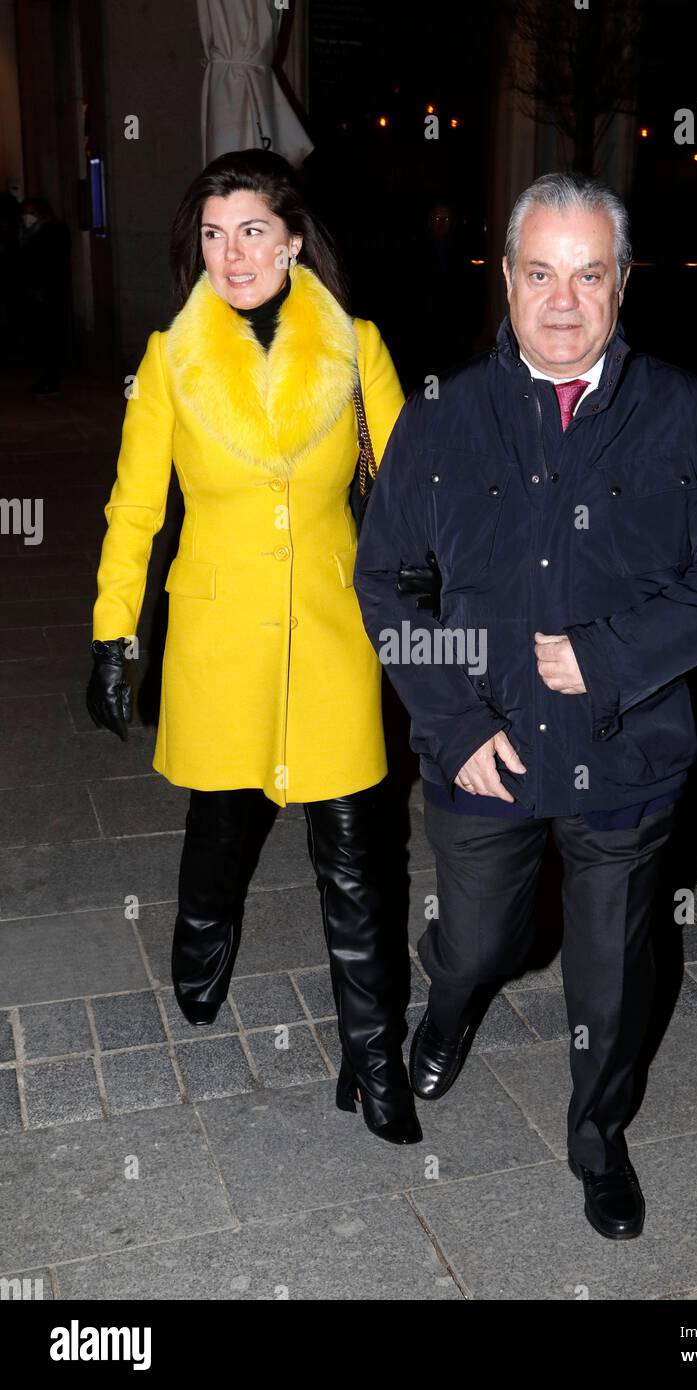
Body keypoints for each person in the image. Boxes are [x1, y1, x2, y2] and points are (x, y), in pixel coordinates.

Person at [354, 173, 697, 1226]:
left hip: (626, 752)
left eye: (587, 274)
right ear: (504, 278)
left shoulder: (685, 416)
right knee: (480, 942)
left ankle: (597, 1137)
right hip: (483, 753)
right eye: (538, 272)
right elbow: (385, 580)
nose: (561, 300)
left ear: (621, 281)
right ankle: (449, 1003)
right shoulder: (440, 416)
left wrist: (610, 654)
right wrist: (449, 725)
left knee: (608, 975)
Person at [87, 149, 420, 1145]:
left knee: (360, 857)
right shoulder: (168, 362)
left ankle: (372, 1064)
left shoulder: (356, 347)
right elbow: (134, 508)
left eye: (250, 230)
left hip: (330, 634)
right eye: (211, 232)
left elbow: (408, 491)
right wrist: (114, 633)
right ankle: (199, 947)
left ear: (290, 239)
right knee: (221, 828)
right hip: (220, 638)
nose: (229, 253)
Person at [18, 196, 71, 394]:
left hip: (51, 295)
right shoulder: (31, 233)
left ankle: (51, 381)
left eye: (31, 212)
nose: (27, 217)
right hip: (40, 296)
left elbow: (48, 264)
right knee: (42, 339)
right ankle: (45, 379)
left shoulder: (53, 232)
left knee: (51, 338)